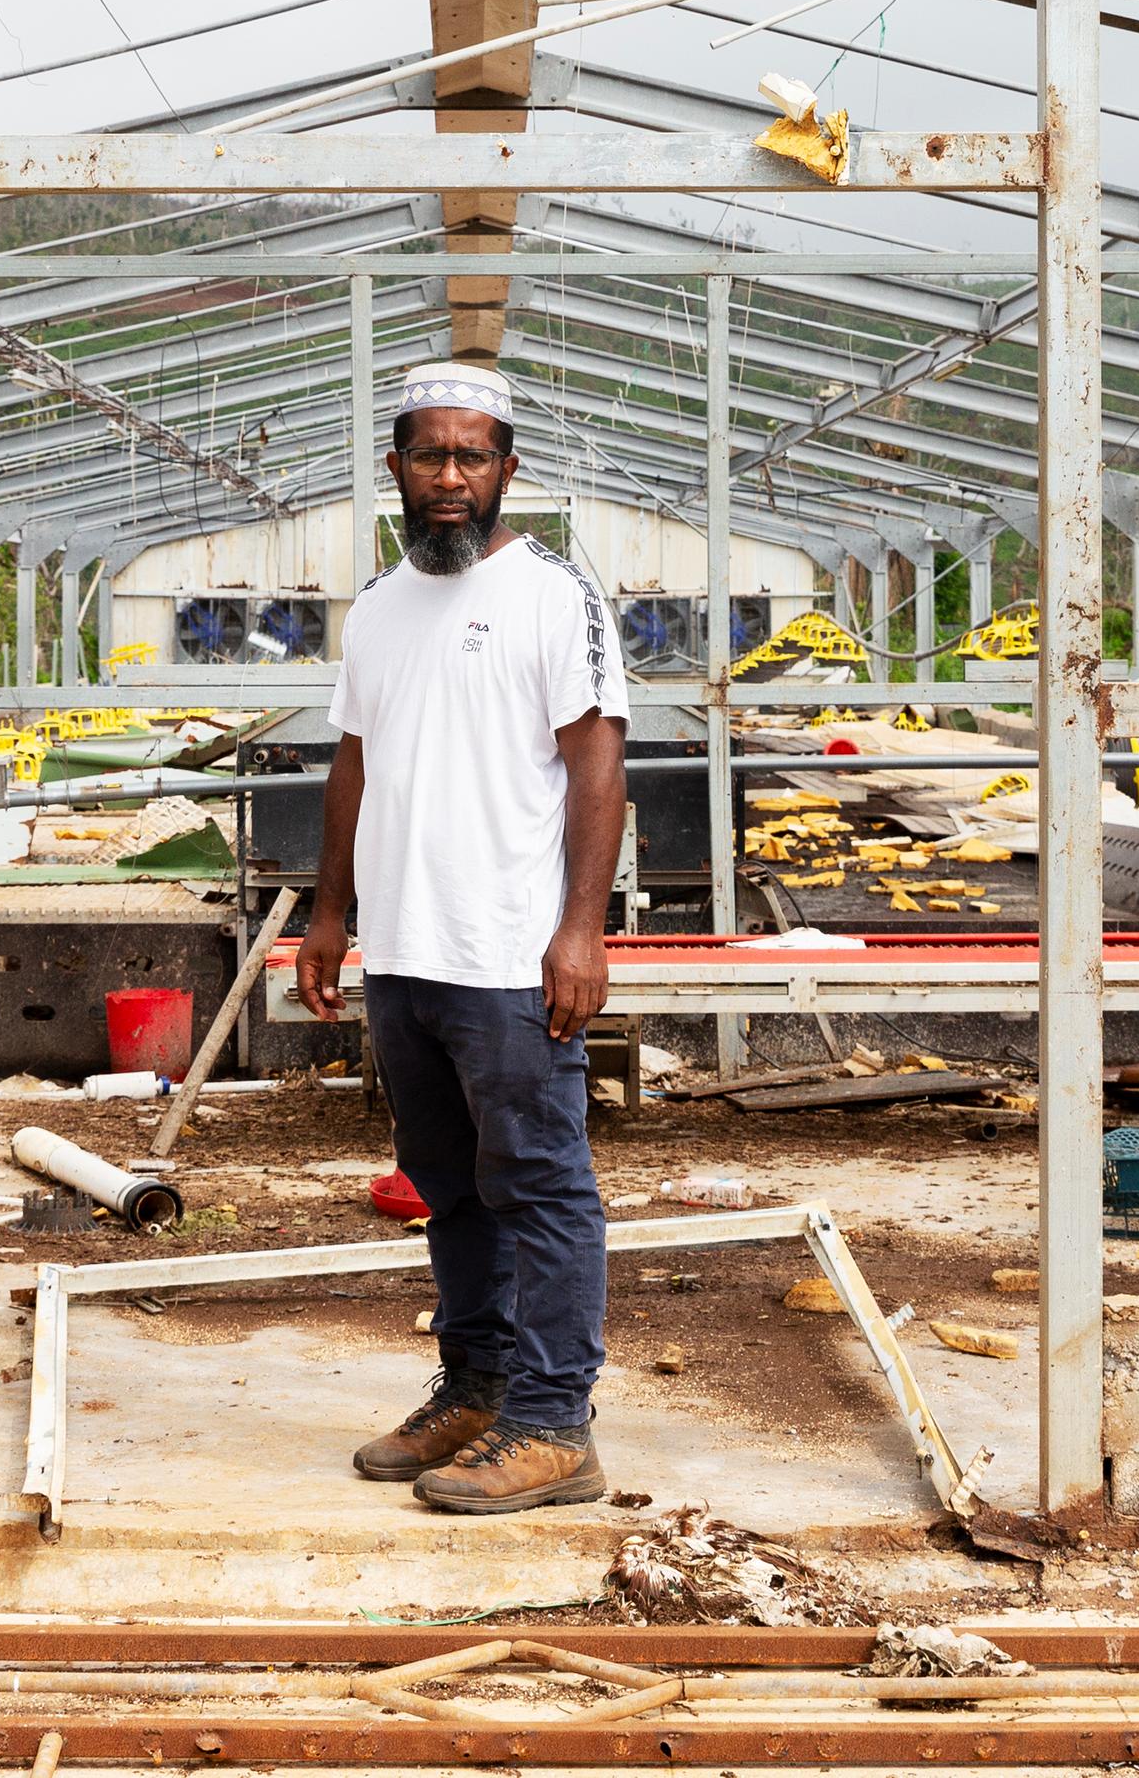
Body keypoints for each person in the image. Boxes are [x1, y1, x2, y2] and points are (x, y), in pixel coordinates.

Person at [295, 362, 629, 1513]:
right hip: (407, 951)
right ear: (394, 466)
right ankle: (478, 1387)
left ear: (505, 470)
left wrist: (580, 932)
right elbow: (354, 761)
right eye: (428, 455)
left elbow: (598, 765)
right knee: (450, 1182)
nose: (449, 477)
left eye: (470, 456)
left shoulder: (551, 594)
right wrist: (330, 911)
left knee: (540, 1182)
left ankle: (554, 1422)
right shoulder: (381, 606)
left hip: (506, 952)